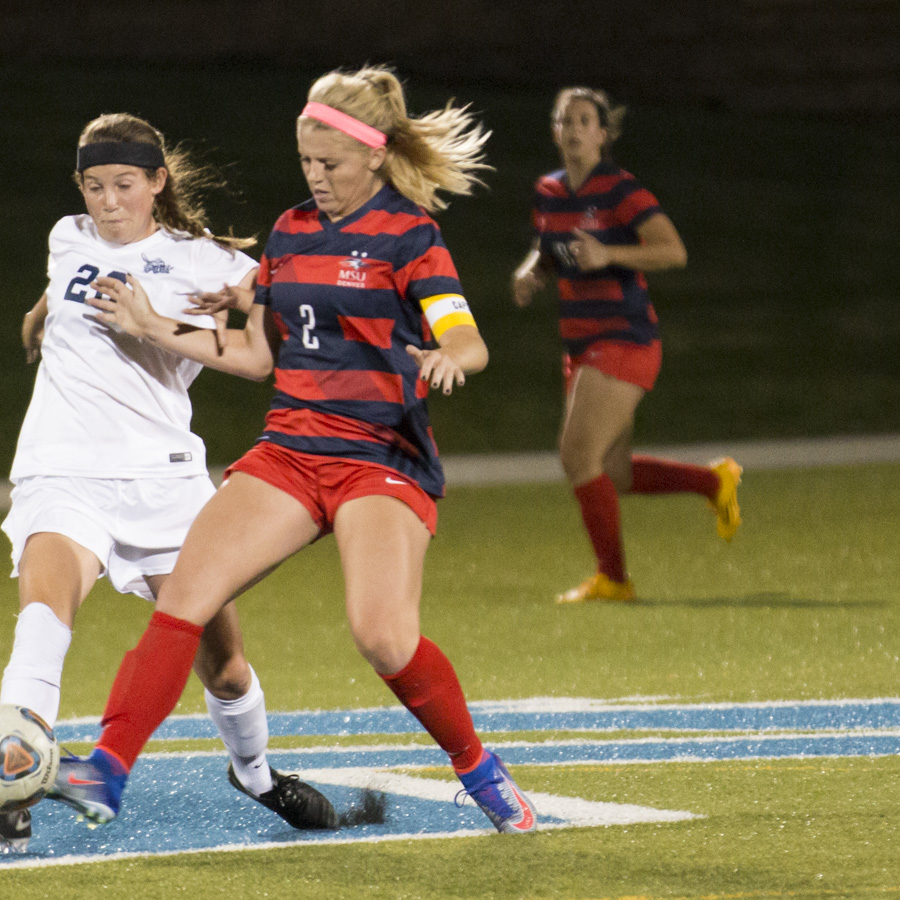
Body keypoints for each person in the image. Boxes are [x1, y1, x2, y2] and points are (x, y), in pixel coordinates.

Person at [51, 67, 537, 835]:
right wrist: (162, 322)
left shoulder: (411, 235)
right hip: (290, 449)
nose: (316, 177)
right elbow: (256, 356)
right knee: (184, 598)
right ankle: (105, 769)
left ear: (374, 159)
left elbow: (464, 334)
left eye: (331, 165)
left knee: (382, 636)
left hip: (379, 456)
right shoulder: (291, 230)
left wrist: (452, 356)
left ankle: (479, 769)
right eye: (306, 162)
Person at [0, 112, 338, 851]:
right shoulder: (65, 235)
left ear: (157, 183)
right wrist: (42, 312)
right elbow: (65, 283)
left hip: (164, 482)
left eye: (125, 185)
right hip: (63, 469)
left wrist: (156, 324)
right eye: (95, 185)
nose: (109, 202)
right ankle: (5, 795)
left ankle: (257, 774)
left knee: (224, 666)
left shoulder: (205, 262)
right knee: (44, 620)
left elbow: (261, 353)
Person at [511, 87, 742, 604]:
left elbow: (673, 251)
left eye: (584, 121)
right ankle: (714, 483)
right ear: (554, 131)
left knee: (576, 455)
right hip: (579, 341)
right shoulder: (549, 189)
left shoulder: (620, 190)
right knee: (612, 472)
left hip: (624, 339)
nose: (572, 129)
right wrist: (533, 272)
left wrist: (607, 253)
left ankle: (614, 580)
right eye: (564, 120)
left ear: (602, 134)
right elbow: (548, 248)